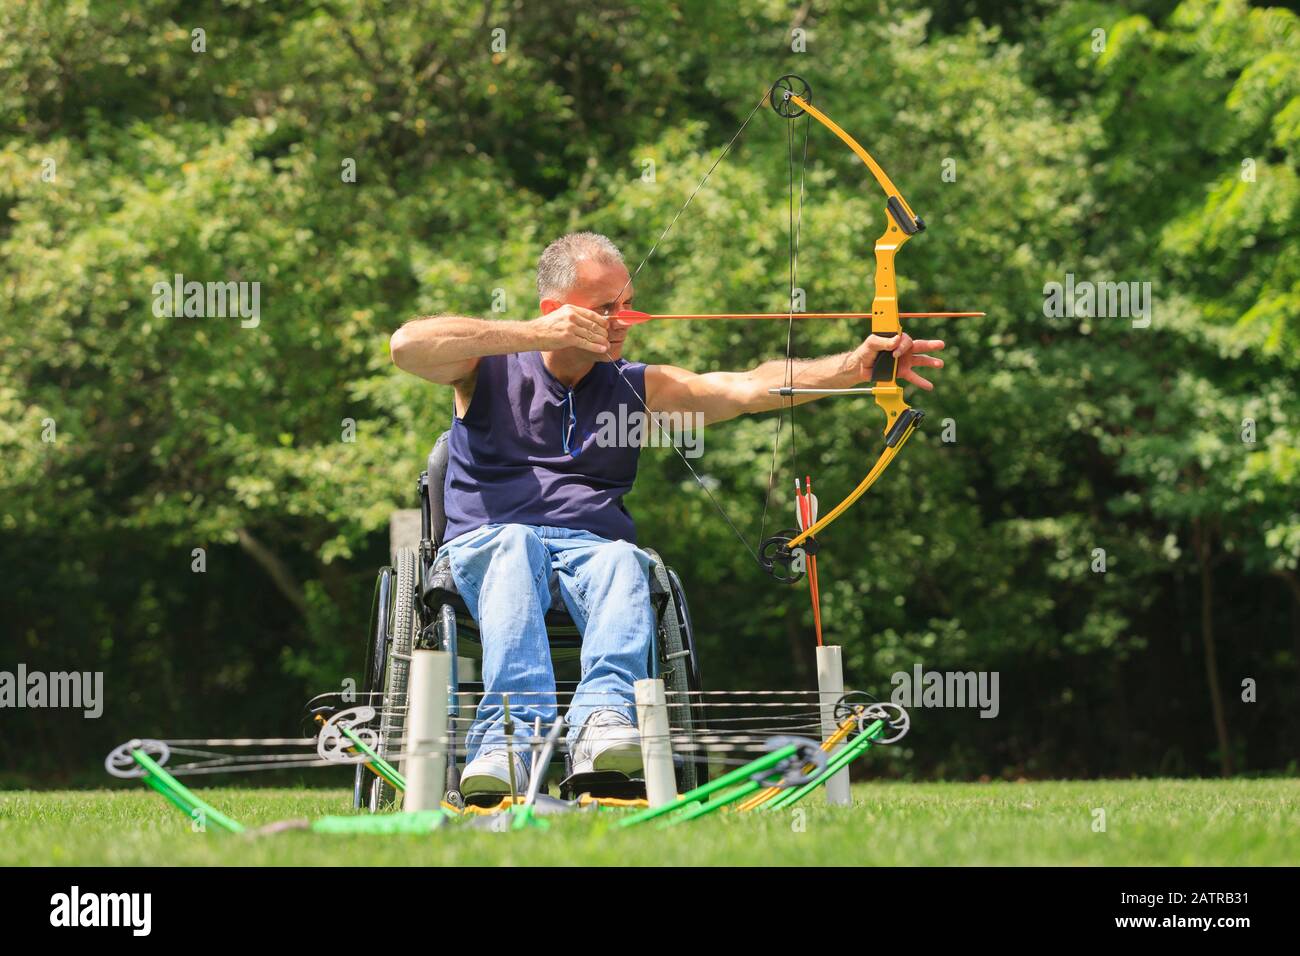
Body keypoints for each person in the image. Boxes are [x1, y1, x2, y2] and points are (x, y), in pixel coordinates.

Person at [389, 232, 944, 797]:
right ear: (556, 310)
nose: (622, 320)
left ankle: (603, 723)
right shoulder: (485, 368)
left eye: (625, 304)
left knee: (624, 562)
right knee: (515, 547)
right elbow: (407, 345)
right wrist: (532, 335)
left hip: (591, 550)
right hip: (491, 545)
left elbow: (746, 387)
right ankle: (509, 737)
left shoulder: (632, 384)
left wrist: (855, 365)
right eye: (605, 308)